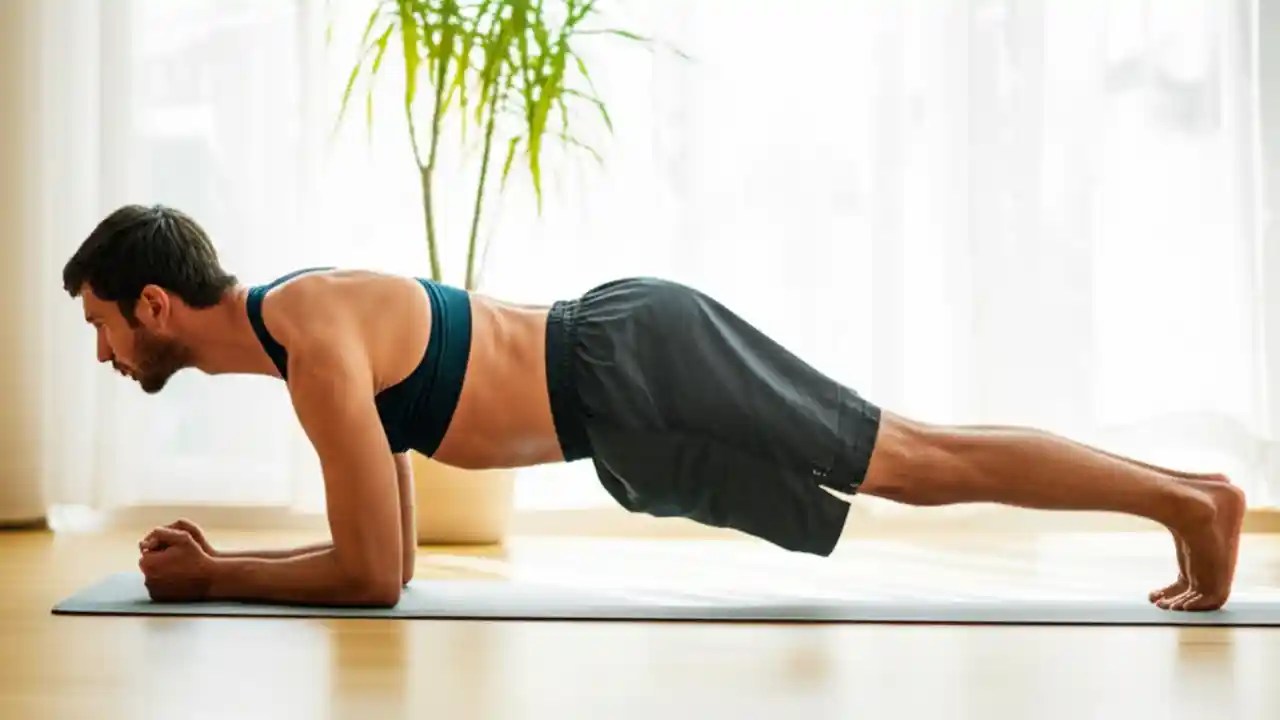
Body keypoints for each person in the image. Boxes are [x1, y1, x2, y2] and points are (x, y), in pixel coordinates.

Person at [62, 204, 1245, 612]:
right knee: (907, 463)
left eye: (101, 324)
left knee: (912, 459)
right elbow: (395, 554)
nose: (104, 353)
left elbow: (373, 578)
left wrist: (222, 576)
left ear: (154, 304)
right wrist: (230, 560)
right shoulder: (296, 340)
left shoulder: (309, 339)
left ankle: (1187, 503)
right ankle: (1183, 500)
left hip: (631, 361)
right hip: (625, 407)